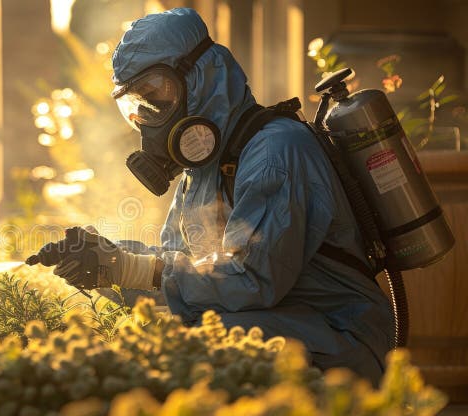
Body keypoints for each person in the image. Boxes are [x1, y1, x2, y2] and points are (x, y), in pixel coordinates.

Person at [35, 8, 394, 384]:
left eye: (158, 94)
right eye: (139, 106)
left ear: (201, 74)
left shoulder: (276, 152)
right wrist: (105, 259)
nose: (151, 118)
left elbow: (252, 279)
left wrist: (133, 268)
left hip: (340, 341)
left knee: (189, 346)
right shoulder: (202, 171)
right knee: (158, 337)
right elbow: (183, 274)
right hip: (281, 326)